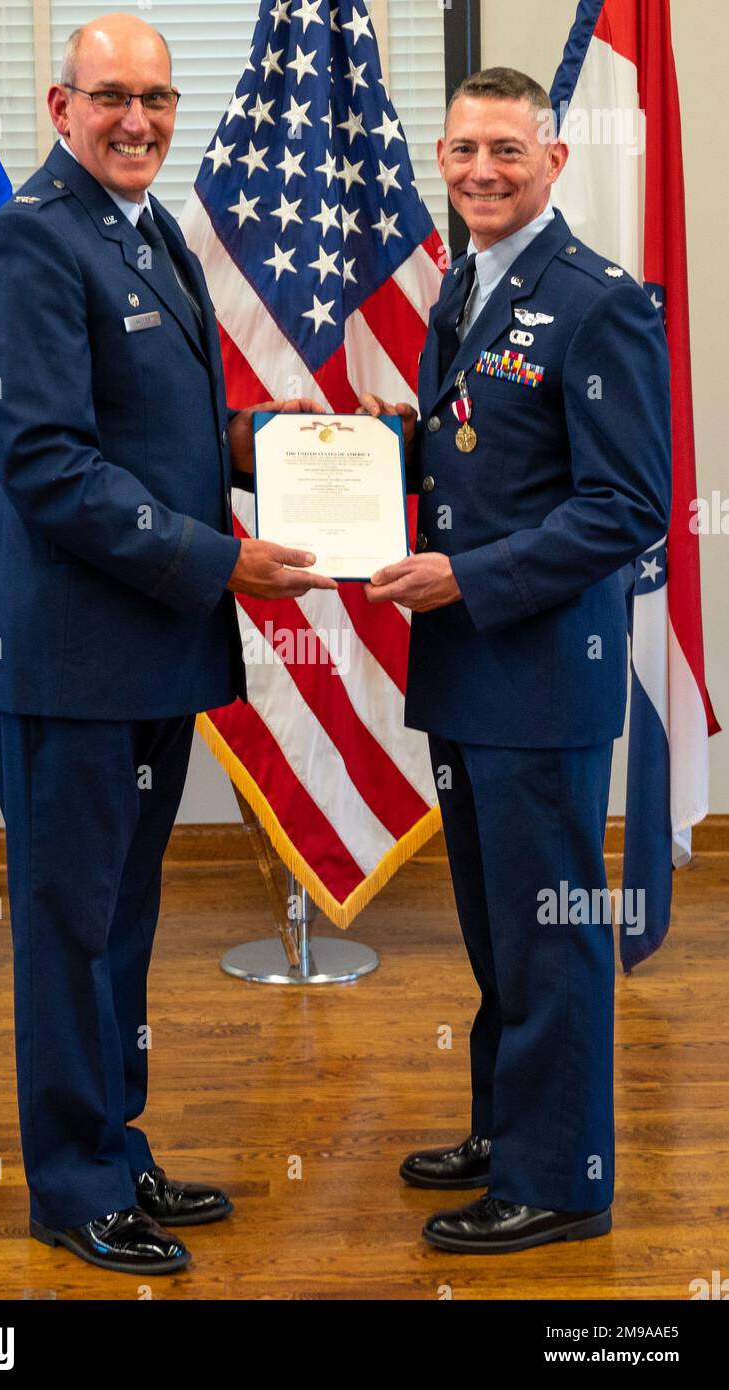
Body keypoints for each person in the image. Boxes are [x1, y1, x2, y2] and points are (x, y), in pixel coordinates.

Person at [0, 12, 334, 1276]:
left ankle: (115, 1145)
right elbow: (50, 464)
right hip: (67, 663)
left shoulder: (146, 228)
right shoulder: (29, 239)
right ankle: (70, 1186)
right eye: (111, 97)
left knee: (120, 920)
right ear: (59, 107)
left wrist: (261, 445)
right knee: (69, 929)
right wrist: (220, 556)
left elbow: (152, 421)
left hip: (142, 657)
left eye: (158, 100)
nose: (138, 121)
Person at [360, 67, 671, 1253]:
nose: (480, 170)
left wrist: (467, 578)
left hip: (539, 671)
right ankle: (507, 1128)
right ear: (439, 159)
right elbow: (473, 458)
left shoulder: (594, 301)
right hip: (467, 669)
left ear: (548, 159)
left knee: (550, 930)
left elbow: (626, 504)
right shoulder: (469, 283)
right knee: (499, 934)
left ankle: (562, 1177)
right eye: (461, 150)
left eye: (505, 150)